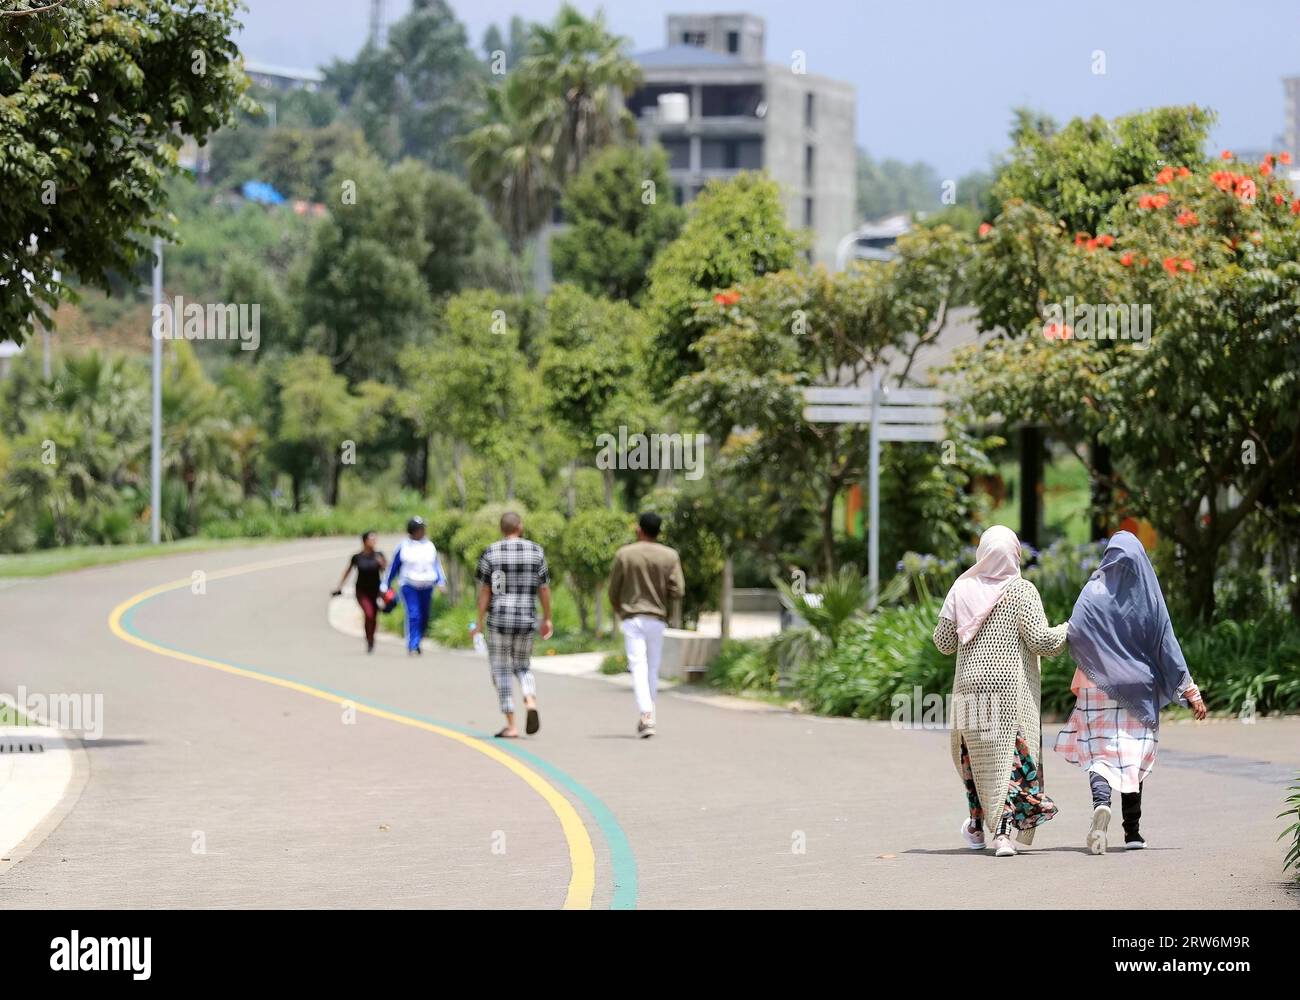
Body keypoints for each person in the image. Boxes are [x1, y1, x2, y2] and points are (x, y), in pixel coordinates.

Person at [1055, 530, 1207, 854]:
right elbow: (1167, 645)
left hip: (1095, 685)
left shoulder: (1092, 591)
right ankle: (1133, 833)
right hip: (1137, 687)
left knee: (1099, 753)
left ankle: (1100, 803)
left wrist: (1097, 657)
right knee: (1131, 755)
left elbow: (1076, 630)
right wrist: (1189, 690)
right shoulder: (1148, 596)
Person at [932, 525, 1069, 858]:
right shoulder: (1023, 591)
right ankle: (1003, 837)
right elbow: (1041, 642)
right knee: (1006, 762)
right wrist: (1070, 628)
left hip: (969, 688)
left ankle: (977, 827)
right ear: (1015, 554)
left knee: (975, 760)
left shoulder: (961, 588)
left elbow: (944, 642)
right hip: (1007, 691)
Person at [473, 511, 552, 738]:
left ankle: (511, 724)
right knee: (523, 665)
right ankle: (530, 699)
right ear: (520, 526)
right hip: (526, 618)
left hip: (499, 618)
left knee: (501, 669)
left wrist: (479, 622)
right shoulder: (536, 551)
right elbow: (544, 588)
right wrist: (547, 618)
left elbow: (486, 590)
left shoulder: (492, 552)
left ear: (502, 529)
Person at [608, 512, 684, 739]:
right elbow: (678, 590)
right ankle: (650, 714)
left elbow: (614, 590)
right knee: (652, 668)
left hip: (632, 618)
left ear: (639, 529)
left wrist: (621, 610)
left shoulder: (625, 554)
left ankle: (646, 714)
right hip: (657, 618)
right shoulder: (670, 556)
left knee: (638, 667)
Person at [381, 516, 445, 656]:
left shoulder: (429, 545)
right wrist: (385, 585)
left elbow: (436, 565)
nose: (423, 531)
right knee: (414, 614)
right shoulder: (403, 546)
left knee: (424, 615)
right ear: (413, 530)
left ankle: (418, 639)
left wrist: (441, 581)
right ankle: (413, 644)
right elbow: (393, 567)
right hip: (409, 585)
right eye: (420, 528)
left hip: (427, 585)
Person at [332, 531, 387, 653]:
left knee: (374, 617)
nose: (373, 542)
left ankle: (371, 639)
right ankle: (368, 639)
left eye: (375, 540)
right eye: (371, 539)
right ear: (364, 541)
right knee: (369, 614)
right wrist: (339, 586)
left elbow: (386, 571)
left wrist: (381, 563)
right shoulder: (357, 557)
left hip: (376, 591)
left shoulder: (379, 555)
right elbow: (347, 572)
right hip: (362, 591)